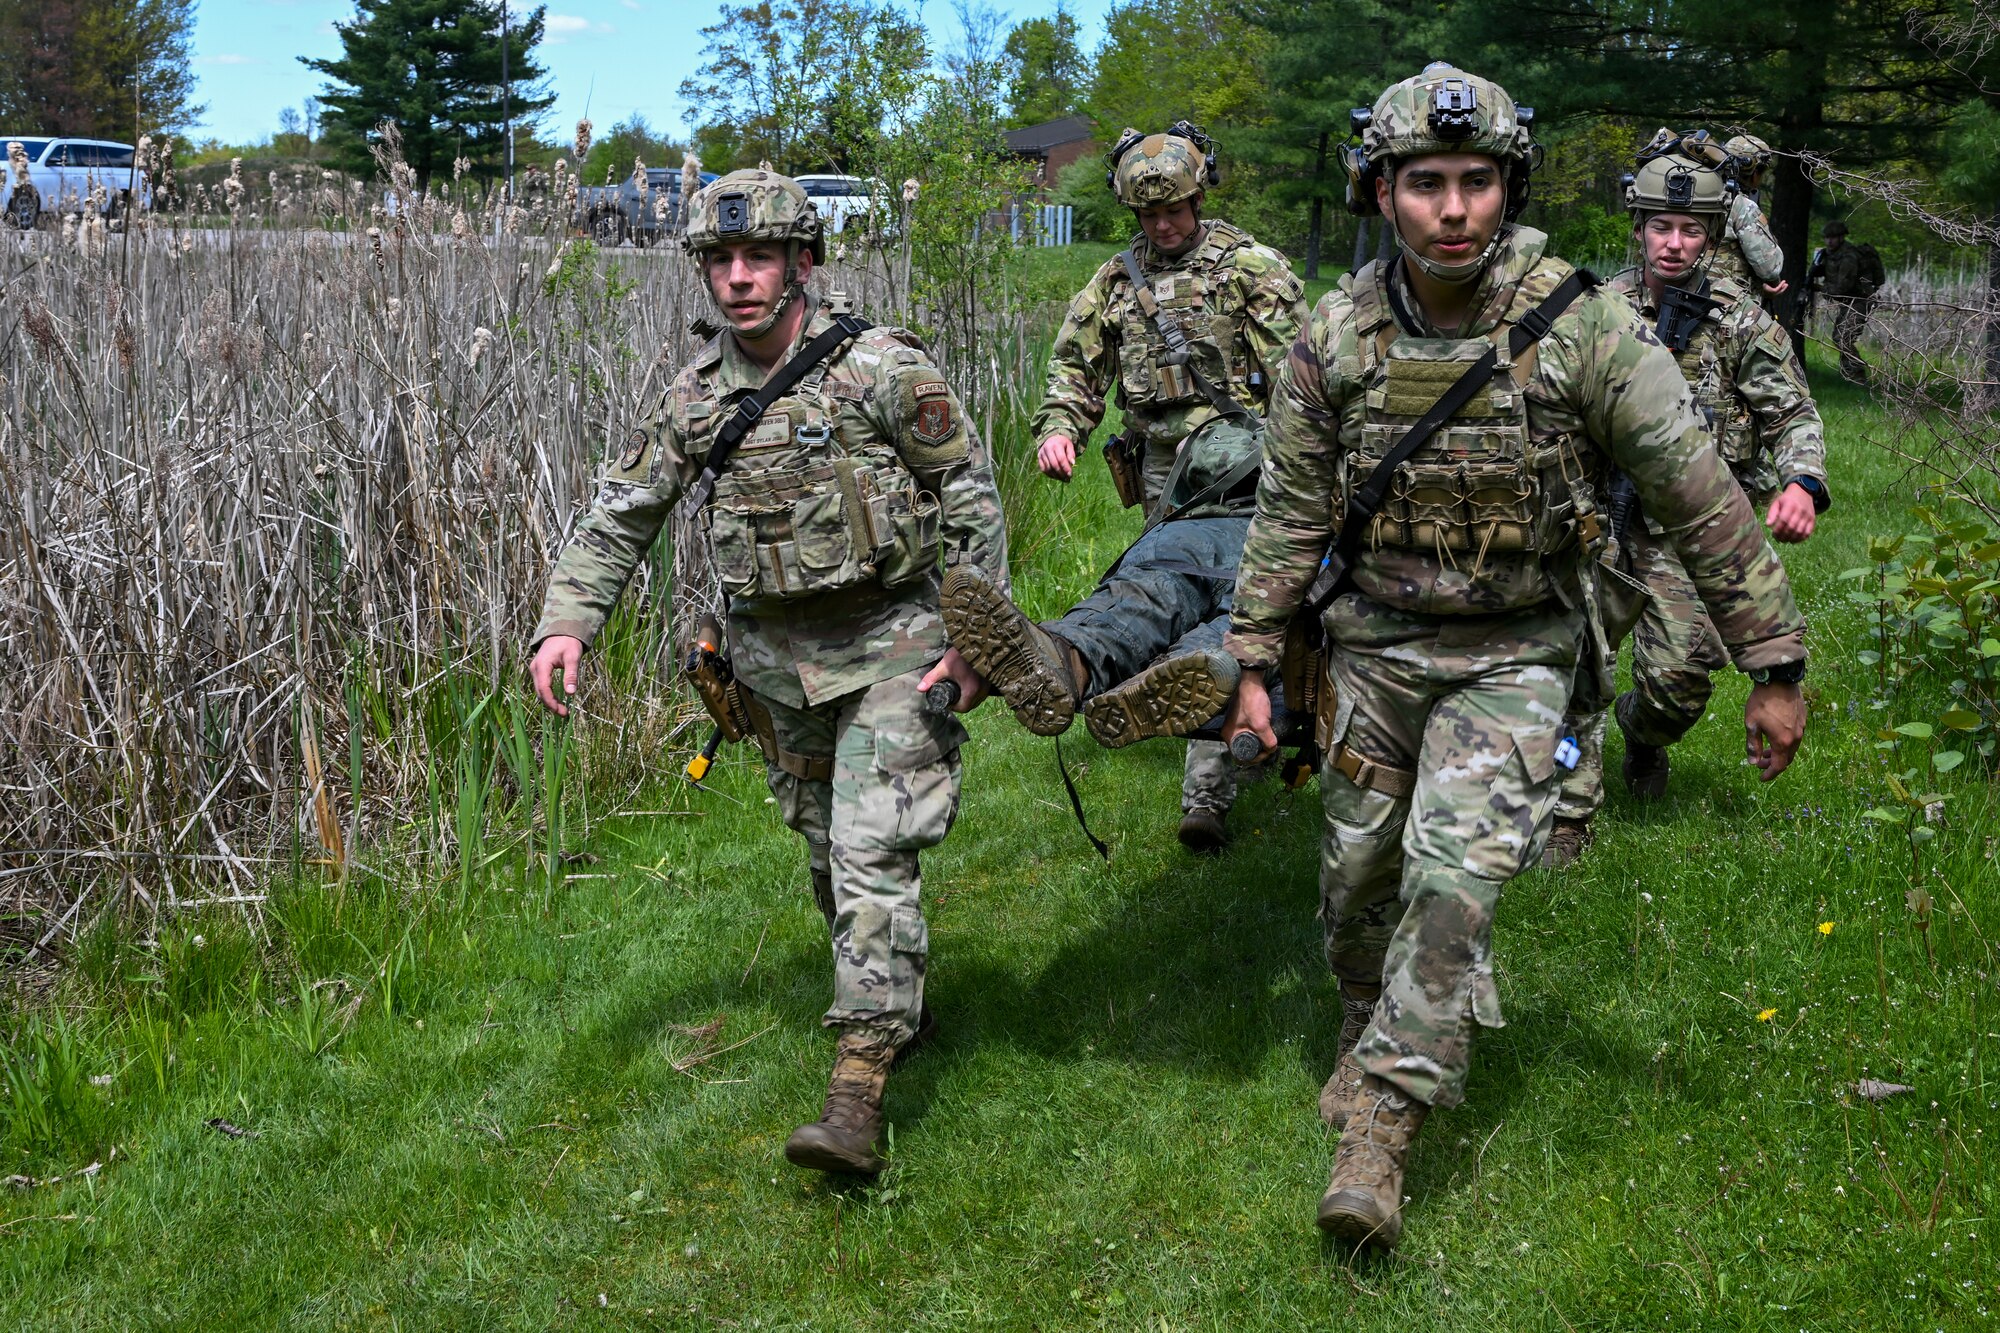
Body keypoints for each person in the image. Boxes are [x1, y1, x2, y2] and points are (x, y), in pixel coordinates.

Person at [1220, 64, 1810, 1252]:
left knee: (1453, 885)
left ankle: (1380, 1132)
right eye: (1424, 183)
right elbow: (1285, 508)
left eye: (1474, 183)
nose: (1451, 208)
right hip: (1373, 652)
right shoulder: (1332, 336)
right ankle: (1361, 1012)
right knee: (1353, 886)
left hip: (1518, 653)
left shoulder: (1585, 326)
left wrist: (1772, 661)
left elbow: (1693, 493)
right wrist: (1249, 658)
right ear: (1378, 192)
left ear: (1507, 189)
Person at [527, 170, 1009, 1178]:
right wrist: (566, 621)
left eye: (759, 258)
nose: (739, 280)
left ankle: (858, 1084)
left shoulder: (877, 366)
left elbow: (964, 490)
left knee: (871, 845)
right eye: (720, 261)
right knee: (824, 852)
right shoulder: (697, 399)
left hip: (894, 640)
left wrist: (976, 637)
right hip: (774, 665)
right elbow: (625, 510)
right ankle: (893, 999)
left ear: (802, 260)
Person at [1541, 135, 1830, 867]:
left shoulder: (1738, 319)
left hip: (1689, 532)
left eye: (1691, 230)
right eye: (1660, 229)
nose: (1673, 245)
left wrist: (1802, 481)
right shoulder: (1597, 308)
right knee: (1571, 672)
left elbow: (1793, 414)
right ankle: (1565, 815)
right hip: (1602, 521)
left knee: (1677, 686)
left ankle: (1643, 737)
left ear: (1710, 235)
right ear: (1637, 228)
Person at [1030, 123, 1306, 851]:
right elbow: (1074, 367)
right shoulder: (1115, 285)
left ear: (1199, 195)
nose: (1164, 225)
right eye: (1150, 215)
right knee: (1175, 600)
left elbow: (1305, 379)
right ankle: (1205, 767)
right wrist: (1059, 428)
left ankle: (1223, 765)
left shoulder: (1250, 269)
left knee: (1249, 601)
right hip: (1166, 478)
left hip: (1253, 471)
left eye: (1176, 211)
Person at [923, 415, 1275, 764]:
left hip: (1186, 537)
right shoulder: (1302, 450)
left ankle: (1064, 655)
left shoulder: (1207, 470)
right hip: (1272, 552)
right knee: (1238, 625)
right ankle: (1176, 669)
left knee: (1133, 603)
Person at [1715, 133, 1789, 300]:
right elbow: (1770, 268)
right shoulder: (1741, 205)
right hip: (1723, 299)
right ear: (1755, 173)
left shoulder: (1699, 195)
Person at [1812, 219, 1886, 384]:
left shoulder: (1849, 256)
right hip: (1850, 301)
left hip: (1860, 300)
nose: (1829, 241)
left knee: (1843, 337)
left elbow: (1842, 287)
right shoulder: (1830, 255)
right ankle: (1848, 375)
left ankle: (1857, 376)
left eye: (1833, 237)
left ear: (1841, 238)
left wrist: (1819, 287)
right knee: (1840, 337)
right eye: (1827, 237)